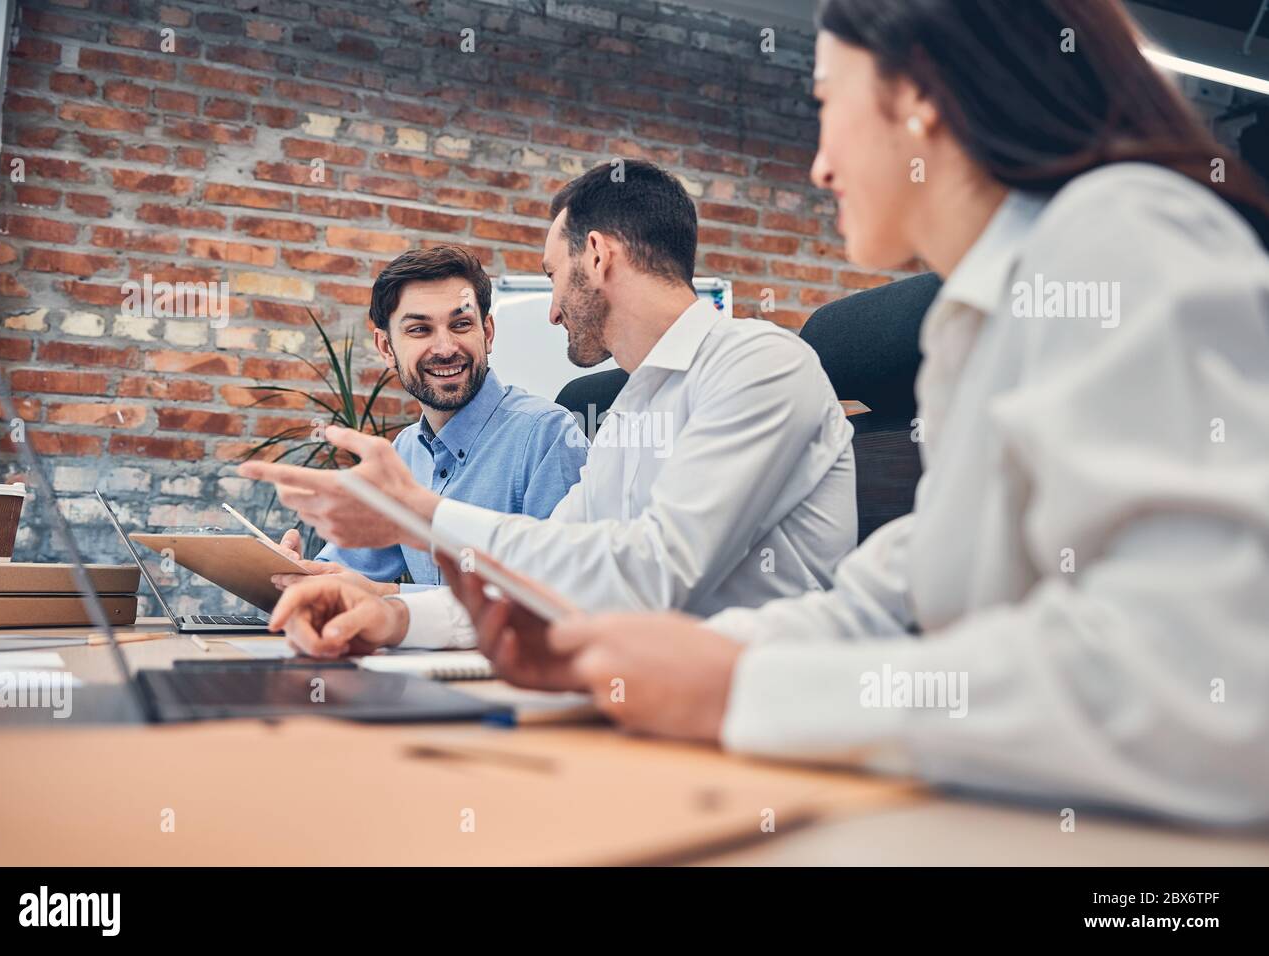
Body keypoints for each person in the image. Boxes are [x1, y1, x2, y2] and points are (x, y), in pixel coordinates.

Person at [436, 0, 1269, 824]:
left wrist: (739, 688)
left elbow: (1195, 688)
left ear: (919, 96)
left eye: (827, 104)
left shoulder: (1119, 239)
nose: (820, 167)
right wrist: (634, 661)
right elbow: (875, 605)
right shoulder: (977, 325)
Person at [242, 160, 859, 652]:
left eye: (553, 274)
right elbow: (541, 582)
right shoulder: (630, 412)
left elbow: (654, 574)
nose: (552, 308)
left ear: (596, 256)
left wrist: (420, 516)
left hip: (761, 723)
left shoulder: (760, 364)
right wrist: (395, 616)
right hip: (647, 706)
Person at [269, 244, 588, 596]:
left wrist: (390, 598)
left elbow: (556, 596)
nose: (446, 347)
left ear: (488, 333)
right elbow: (346, 573)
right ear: (387, 348)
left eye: (462, 324)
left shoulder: (546, 435)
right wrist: (297, 575)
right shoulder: (405, 450)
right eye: (420, 330)